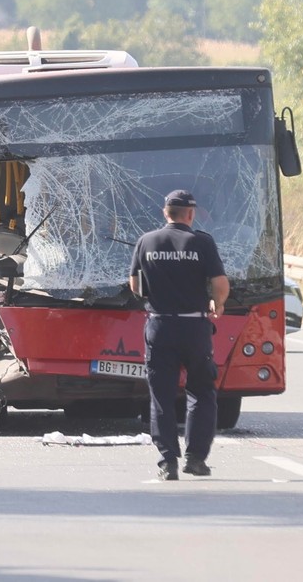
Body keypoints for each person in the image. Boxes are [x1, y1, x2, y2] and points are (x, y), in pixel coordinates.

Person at [129, 190, 229, 481]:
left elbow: (135, 285)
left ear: (165, 212)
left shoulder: (146, 241)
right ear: (190, 214)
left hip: (159, 326)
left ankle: (167, 461)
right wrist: (218, 304)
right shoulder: (202, 242)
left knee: (161, 395)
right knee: (201, 391)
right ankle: (196, 458)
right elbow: (220, 284)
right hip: (194, 327)